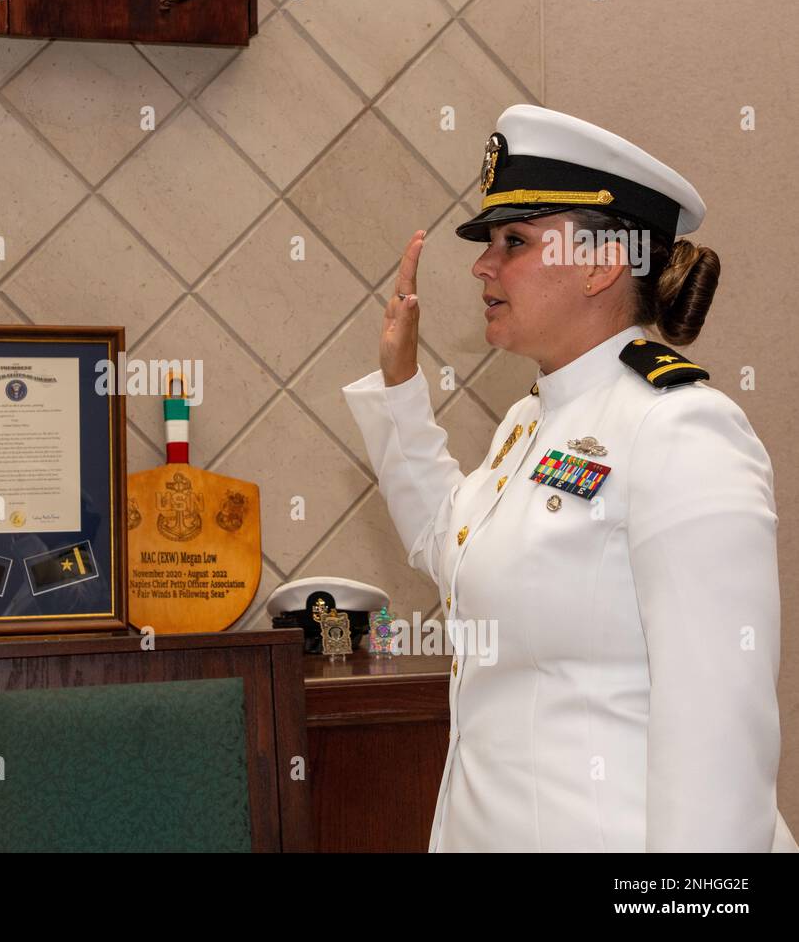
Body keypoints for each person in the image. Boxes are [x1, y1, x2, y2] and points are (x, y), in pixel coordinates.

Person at [341, 104, 796, 852]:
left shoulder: (679, 430)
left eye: (513, 241)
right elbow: (444, 545)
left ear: (603, 261)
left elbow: (720, 732)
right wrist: (398, 389)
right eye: (489, 242)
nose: (483, 265)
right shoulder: (529, 427)